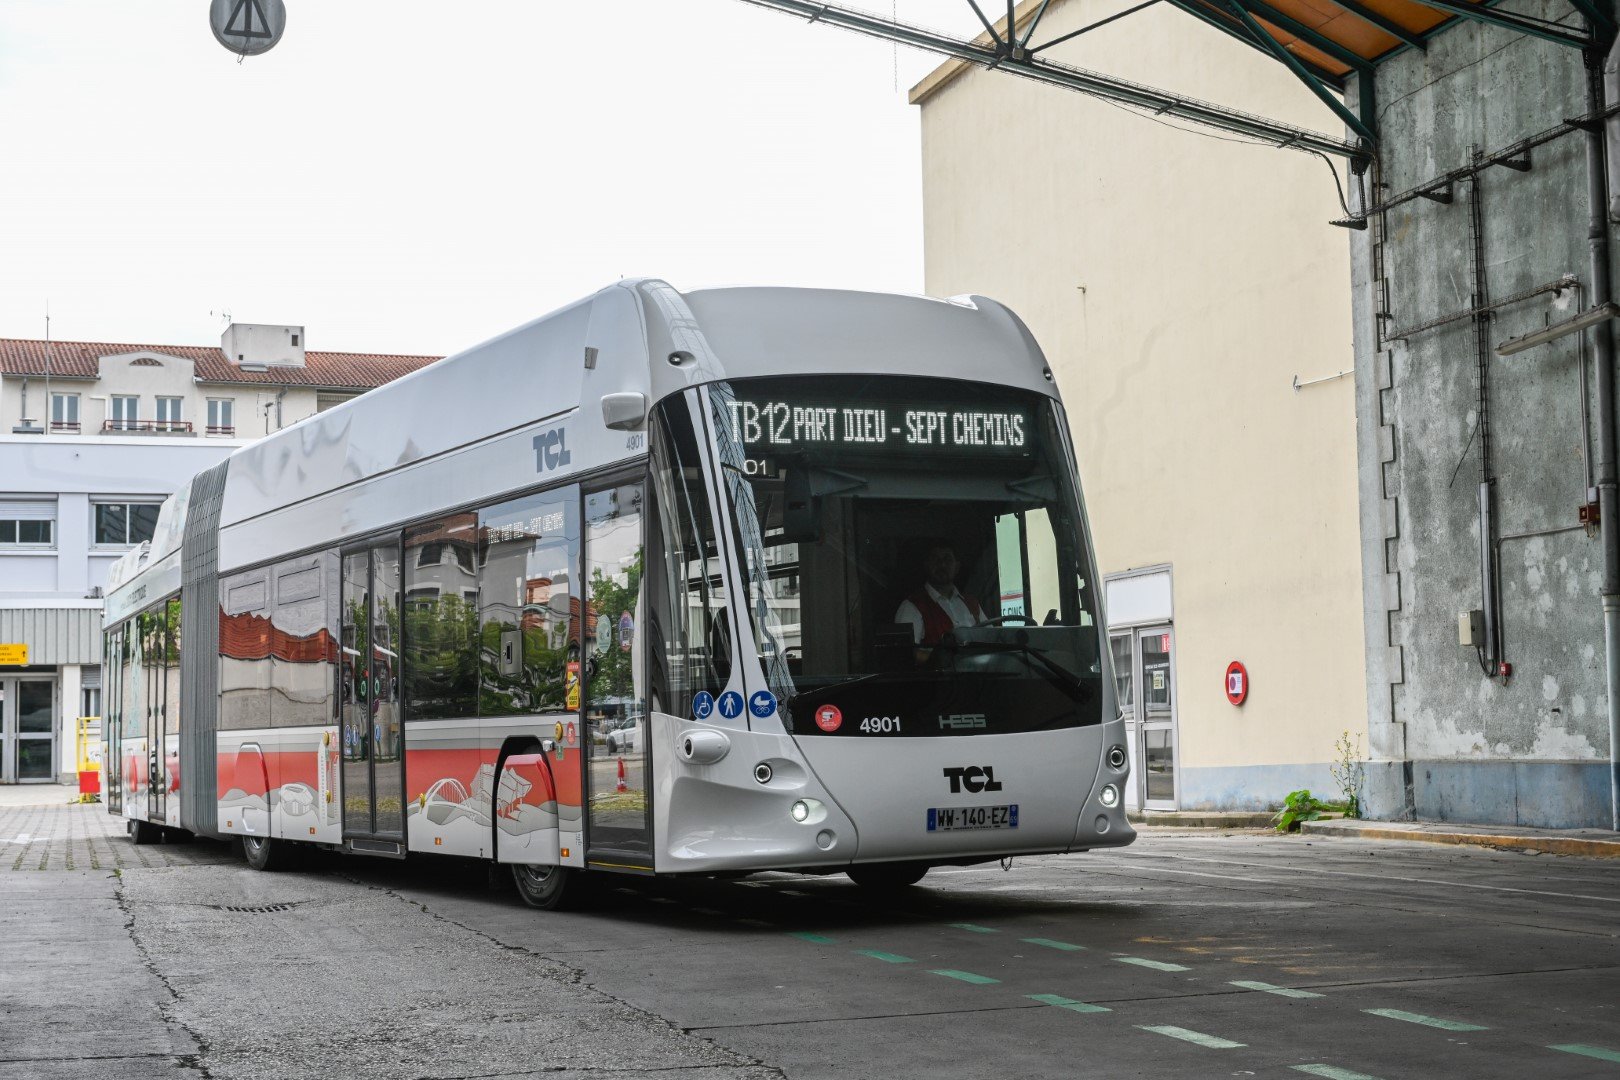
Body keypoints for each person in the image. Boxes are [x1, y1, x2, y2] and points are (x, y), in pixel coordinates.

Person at [894, 543, 984, 647]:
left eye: (947, 559)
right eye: (935, 559)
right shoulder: (911, 606)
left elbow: (992, 640)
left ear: (957, 567)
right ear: (927, 565)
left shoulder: (972, 603)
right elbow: (906, 654)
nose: (942, 565)